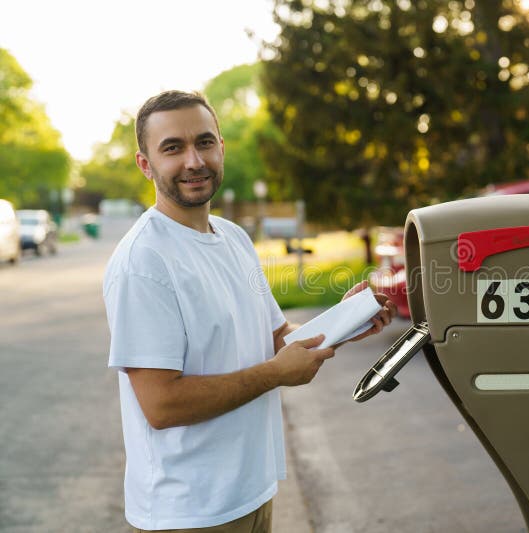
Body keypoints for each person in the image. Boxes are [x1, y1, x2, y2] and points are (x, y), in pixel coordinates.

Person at [103, 90, 397, 532]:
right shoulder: (143, 262)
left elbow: (276, 337)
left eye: (204, 142)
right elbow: (161, 404)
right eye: (172, 148)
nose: (194, 161)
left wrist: (342, 324)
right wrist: (276, 374)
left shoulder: (234, 238)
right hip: (188, 511)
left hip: (251, 491)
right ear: (145, 164)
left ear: (221, 147)